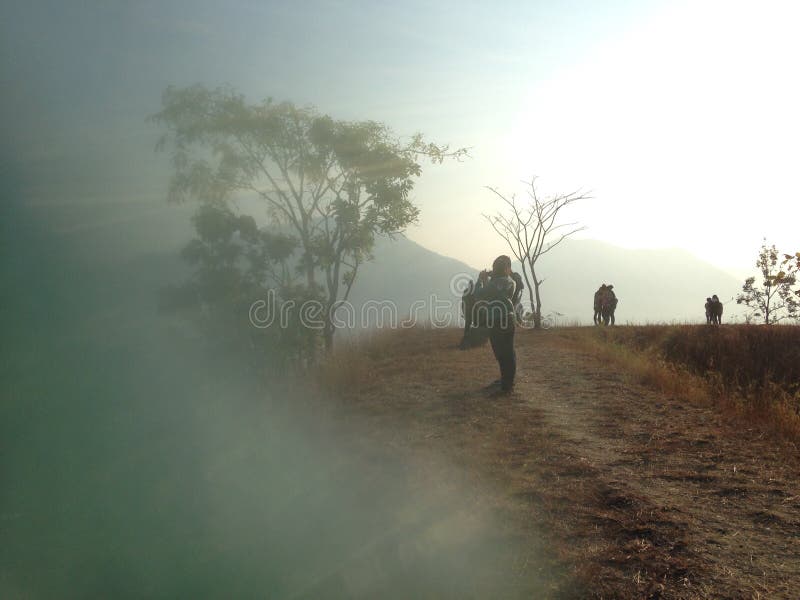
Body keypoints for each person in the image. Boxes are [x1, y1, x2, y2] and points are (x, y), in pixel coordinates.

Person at [474, 255, 517, 393]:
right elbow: (501, 289)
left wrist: (481, 280)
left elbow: (479, 295)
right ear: (506, 269)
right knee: (509, 351)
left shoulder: (492, 285)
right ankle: (508, 381)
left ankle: (506, 385)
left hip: (496, 321)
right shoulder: (511, 282)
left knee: (499, 351)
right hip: (510, 319)